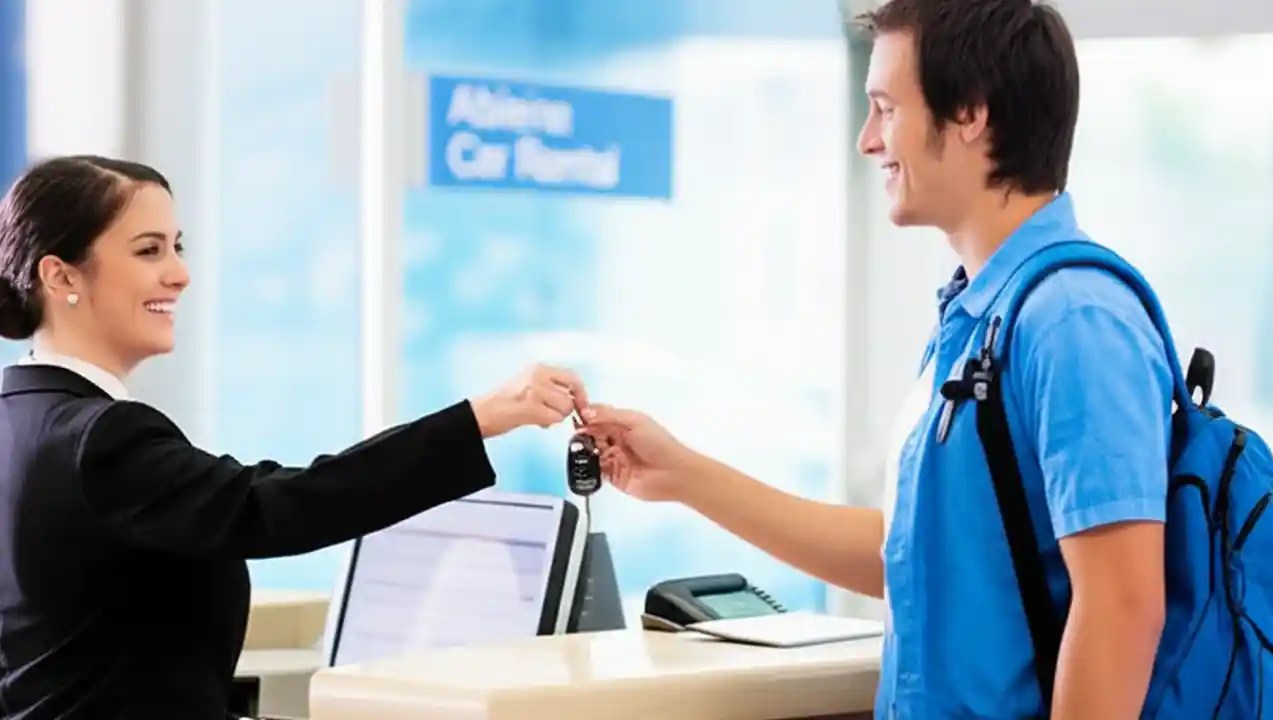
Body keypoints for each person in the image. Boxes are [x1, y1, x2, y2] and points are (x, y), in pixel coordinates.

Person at [582, 1, 1170, 717]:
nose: (868, 140)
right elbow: (909, 556)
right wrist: (684, 476)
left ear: (970, 114)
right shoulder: (981, 318)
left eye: (886, 108)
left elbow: (1124, 604)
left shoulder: (1074, 318)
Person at [0, 155, 590, 719]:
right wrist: (482, 417)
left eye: (177, 247)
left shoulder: (18, 416)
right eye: (148, 250)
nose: (179, 274)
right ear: (61, 275)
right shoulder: (102, 437)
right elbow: (276, 505)